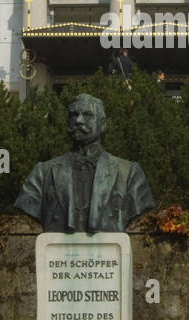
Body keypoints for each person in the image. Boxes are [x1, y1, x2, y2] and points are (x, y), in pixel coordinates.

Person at [14, 93, 154, 234]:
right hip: (58, 253)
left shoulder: (129, 173)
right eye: (73, 115)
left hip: (108, 253)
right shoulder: (42, 173)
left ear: (103, 124)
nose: (79, 120)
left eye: (88, 115)